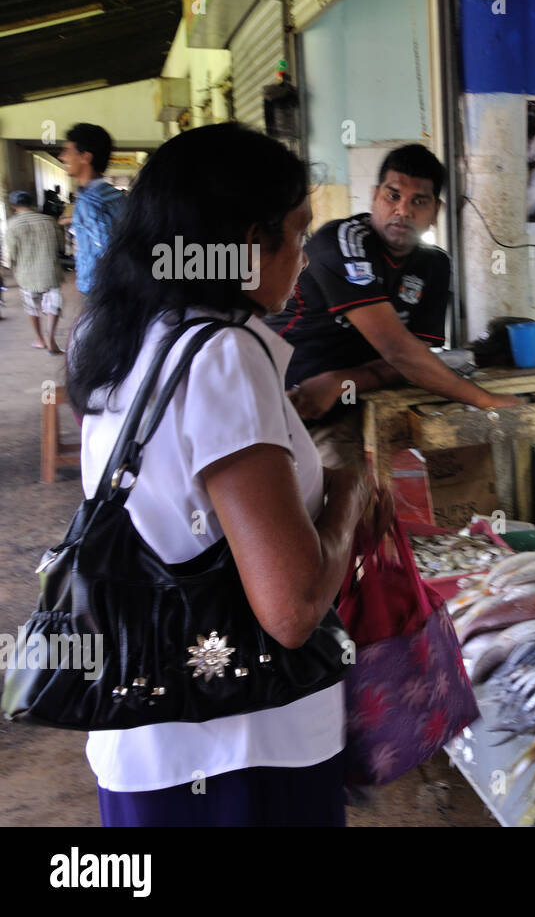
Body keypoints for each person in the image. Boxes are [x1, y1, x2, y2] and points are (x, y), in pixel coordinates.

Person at [66, 123, 377, 826]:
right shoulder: (224, 354)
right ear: (244, 242)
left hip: (147, 737)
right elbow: (292, 608)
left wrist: (284, 420)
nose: (301, 258)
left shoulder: (117, 336)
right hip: (244, 748)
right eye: (295, 235)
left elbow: (176, 478)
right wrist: (348, 491)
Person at [265, 143, 519, 467]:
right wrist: (485, 400)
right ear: (374, 196)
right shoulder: (341, 242)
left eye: (419, 201)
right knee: (313, 505)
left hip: (350, 402)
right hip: (287, 401)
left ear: (435, 212)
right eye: (392, 196)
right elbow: (399, 351)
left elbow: (414, 358)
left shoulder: (435, 265)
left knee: (365, 500)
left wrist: (343, 381)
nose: (403, 210)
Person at [60, 122, 126, 295]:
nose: (62, 157)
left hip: (100, 290)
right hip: (122, 286)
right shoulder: (115, 195)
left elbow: (106, 248)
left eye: (67, 151)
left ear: (85, 157)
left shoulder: (88, 202)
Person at [4, 190, 64, 353]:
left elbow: (12, 254)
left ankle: (40, 339)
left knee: (32, 307)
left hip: (26, 274)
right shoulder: (49, 220)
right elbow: (61, 246)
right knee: (53, 305)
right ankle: (50, 337)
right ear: (31, 203)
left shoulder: (12, 225)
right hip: (50, 271)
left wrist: (12, 267)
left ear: (13, 206)